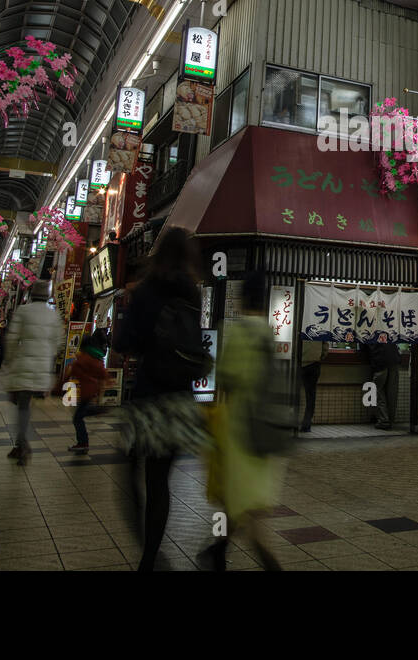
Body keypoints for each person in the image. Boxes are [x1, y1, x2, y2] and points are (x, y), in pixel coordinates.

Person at [114, 226, 208, 571]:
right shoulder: (192, 292)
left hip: (149, 398)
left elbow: (125, 342)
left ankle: (146, 548)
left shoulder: (147, 289)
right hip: (180, 402)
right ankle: (150, 557)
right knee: (160, 484)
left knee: (130, 478)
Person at [203, 270, 283, 571]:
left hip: (239, 429)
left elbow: (225, 379)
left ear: (240, 298)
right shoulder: (268, 332)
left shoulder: (238, 332)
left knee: (243, 507)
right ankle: (217, 551)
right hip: (264, 430)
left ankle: (261, 562)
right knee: (243, 503)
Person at [1, 280, 64, 464]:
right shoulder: (53, 316)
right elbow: (58, 342)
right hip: (42, 369)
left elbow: (12, 339)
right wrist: (47, 356)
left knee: (22, 407)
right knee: (25, 407)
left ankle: (22, 445)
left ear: (31, 295)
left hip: (23, 366)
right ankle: (21, 443)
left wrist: (9, 359)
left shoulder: (23, 311)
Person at [62, 340, 109, 454]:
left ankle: (83, 444)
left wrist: (58, 388)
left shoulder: (83, 358)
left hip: (86, 392)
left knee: (77, 418)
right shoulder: (96, 357)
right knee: (79, 416)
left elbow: (72, 371)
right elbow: (103, 375)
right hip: (92, 391)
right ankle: (83, 442)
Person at [366, 329, 400, 430]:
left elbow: (366, 346)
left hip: (380, 361)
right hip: (394, 360)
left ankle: (384, 420)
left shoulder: (369, 327)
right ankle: (390, 419)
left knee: (377, 391)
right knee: (391, 393)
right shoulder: (389, 323)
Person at [298, 329, 329, 433]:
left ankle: (291, 421)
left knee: (294, 392)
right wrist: (320, 357)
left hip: (300, 363)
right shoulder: (320, 327)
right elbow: (325, 347)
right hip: (314, 364)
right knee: (310, 396)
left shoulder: (299, 327)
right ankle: (306, 425)